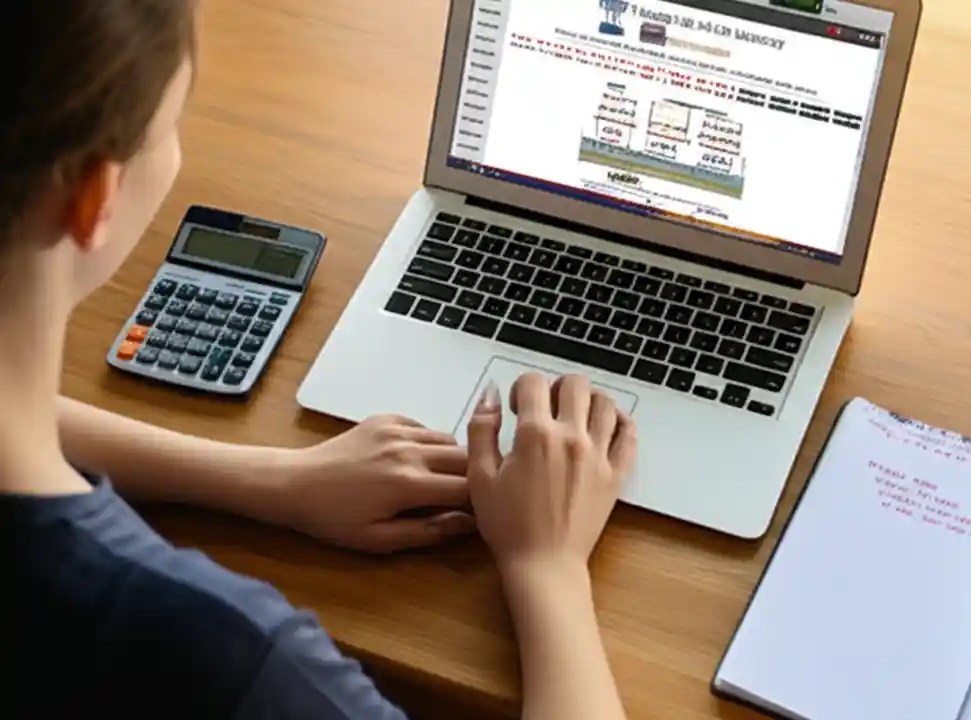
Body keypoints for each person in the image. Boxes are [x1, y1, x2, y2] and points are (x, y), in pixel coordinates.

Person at [1, 2, 636, 718]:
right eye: (173, 122)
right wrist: (546, 567)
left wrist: (273, 479)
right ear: (95, 198)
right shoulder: (236, 658)